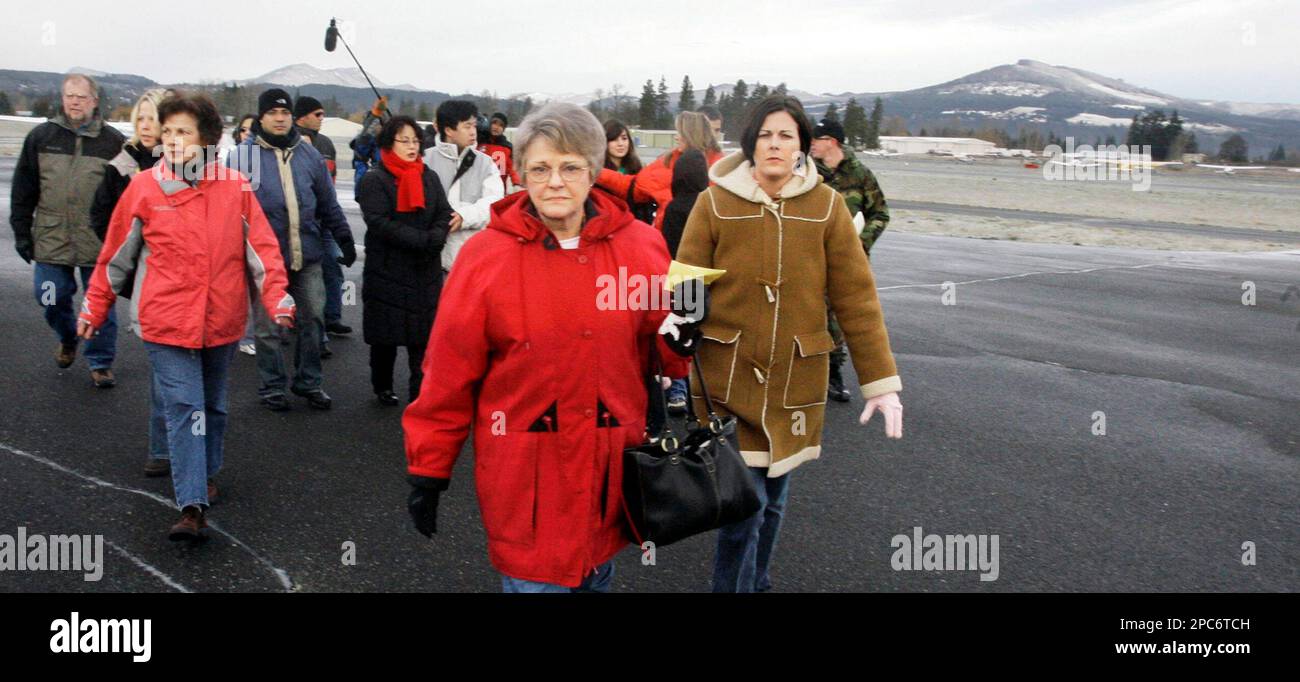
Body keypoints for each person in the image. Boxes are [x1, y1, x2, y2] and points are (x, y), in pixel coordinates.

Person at [402, 102, 692, 592]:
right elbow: (449, 373)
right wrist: (429, 466)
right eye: (540, 168)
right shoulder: (484, 259)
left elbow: (664, 354)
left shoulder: (641, 247)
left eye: (570, 167)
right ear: (520, 172)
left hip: (612, 481)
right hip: (526, 486)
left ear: (594, 171)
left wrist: (683, 337)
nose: (555, 182)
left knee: (598, 573)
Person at [676, 95, 904, 593]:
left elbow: (856, 296)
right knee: (745, 507)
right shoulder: (714, 201)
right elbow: (688, 279)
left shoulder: (827, 207)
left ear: (801, 145)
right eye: (765, 135)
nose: (774, 145)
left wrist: (879, 382)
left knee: (773, 503)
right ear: (750, 142)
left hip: (796, 382)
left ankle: (757, 582)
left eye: (786, 135)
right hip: (728, 379)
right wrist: (681, 321)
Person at [77, 91, 295, 541]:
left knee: (213, 405)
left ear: (207, 139)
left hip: (222, 320)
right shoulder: (143, 188)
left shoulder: (235, 187)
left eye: (184, 132)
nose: (173, 140)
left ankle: (206, 473)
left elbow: (264, 252)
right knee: (184, 406)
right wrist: (94, 307)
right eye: (169, 131)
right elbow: (114, 257)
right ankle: (192, 503)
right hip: (165, 321)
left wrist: (278, 299)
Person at [226, 88, 356, 411]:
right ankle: (272, 387)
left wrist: (345, 238)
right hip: (264, 263)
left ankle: (309, 382)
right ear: (262, 117)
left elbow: (328, 203)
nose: (280, 118)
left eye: (285, 113)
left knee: (313, 320)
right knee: (269, 329)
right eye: (273, 113)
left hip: (307, 255)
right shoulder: (241, 157)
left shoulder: (309, 155)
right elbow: (229, 212)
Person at [10, 73, 125, 388]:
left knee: (100, 304)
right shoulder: (41, 138)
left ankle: (100, 362)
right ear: (63, 99)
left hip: (98, 240)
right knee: (49, 297)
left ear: (94, 100)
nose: (75, 101)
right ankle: (68, 337)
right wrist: (21, 230)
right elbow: (23, 189)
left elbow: (127, 195)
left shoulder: (114, 142)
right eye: (69, 96)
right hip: (51, 237)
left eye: (81, 96)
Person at [87, 87, 171, 477]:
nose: (147, 126)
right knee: (163, 363)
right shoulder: (121, 166)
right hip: (146, 278)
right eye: (141, 119)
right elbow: (104, 220)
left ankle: (188, 447)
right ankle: (161, 447)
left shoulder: (190, 162)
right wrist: (131, 259)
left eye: (155, 119)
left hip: (187, 277)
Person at [356, 116, 452, 405]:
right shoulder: (375, 178)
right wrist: (422, 240)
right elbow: (378, 221)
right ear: (389, 142)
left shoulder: (428, 176)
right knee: (385, 338)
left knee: (422, 340)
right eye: (404, 140)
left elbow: (443, 213)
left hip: (425, 273)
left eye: (415, 140)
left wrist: (437, 234)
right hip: (388, 272)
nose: (412, 146)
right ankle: (382, 385)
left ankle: (419, 398)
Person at [810, 117, 893, 402]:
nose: (811, 144)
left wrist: (858, 242)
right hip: (811, 258)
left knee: (840, 317)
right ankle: (806, 374)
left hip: (847, 262)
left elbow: (880, 214)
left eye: (816, 139)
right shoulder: (807, 173)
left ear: (831, 141)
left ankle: (833, 373)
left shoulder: (860, 175)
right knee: (810, 314)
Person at [596, 110, 721, 233]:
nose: (676, 137)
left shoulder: (720, 169)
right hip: (667, 236)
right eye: (614, 139)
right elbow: (633, 187)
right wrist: (595, 171)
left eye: (680, 133)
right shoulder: (667, 161)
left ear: (691, 135)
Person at [422, 100, 503, 273]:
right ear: (449, 130)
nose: (473, 132)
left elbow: (494, 203)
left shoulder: (485, 163)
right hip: (431, 260)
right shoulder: (424, 161)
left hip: (471, 260)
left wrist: (464, 216)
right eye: (467, 126)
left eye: (474, 125)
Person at [293, 95, 350, 342]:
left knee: (333, 269)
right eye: (317, 114)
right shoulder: (289, 141)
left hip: (325, 219)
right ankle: (298, 322)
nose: (321, 119)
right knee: (302, 275)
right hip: (301, 223)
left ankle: (333, 317)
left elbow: (331, 181)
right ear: (302, 116)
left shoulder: (326, 143)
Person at [658, 148, 709, 415]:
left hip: (680, 279)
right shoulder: (710, 204)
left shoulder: (674, 208)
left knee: (680, 336)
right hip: (707, 279)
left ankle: (678, 389)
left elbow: (665, 246)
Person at [350, 96, 389, 197]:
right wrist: (376, 114)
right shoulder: (364, 141)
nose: (377, 127)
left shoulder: (390, 141)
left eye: (379, 124)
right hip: (372, 191)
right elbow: (365, 138)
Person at [477, 112, 521, 192]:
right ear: (489, 124)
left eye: (501, 125)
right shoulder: (478, 143)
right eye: (494, 123)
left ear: (504, 129)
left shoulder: (508, 147)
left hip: (497, 192)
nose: (497, 127)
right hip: (477, 190)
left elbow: (514, 168)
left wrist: (517, 184)